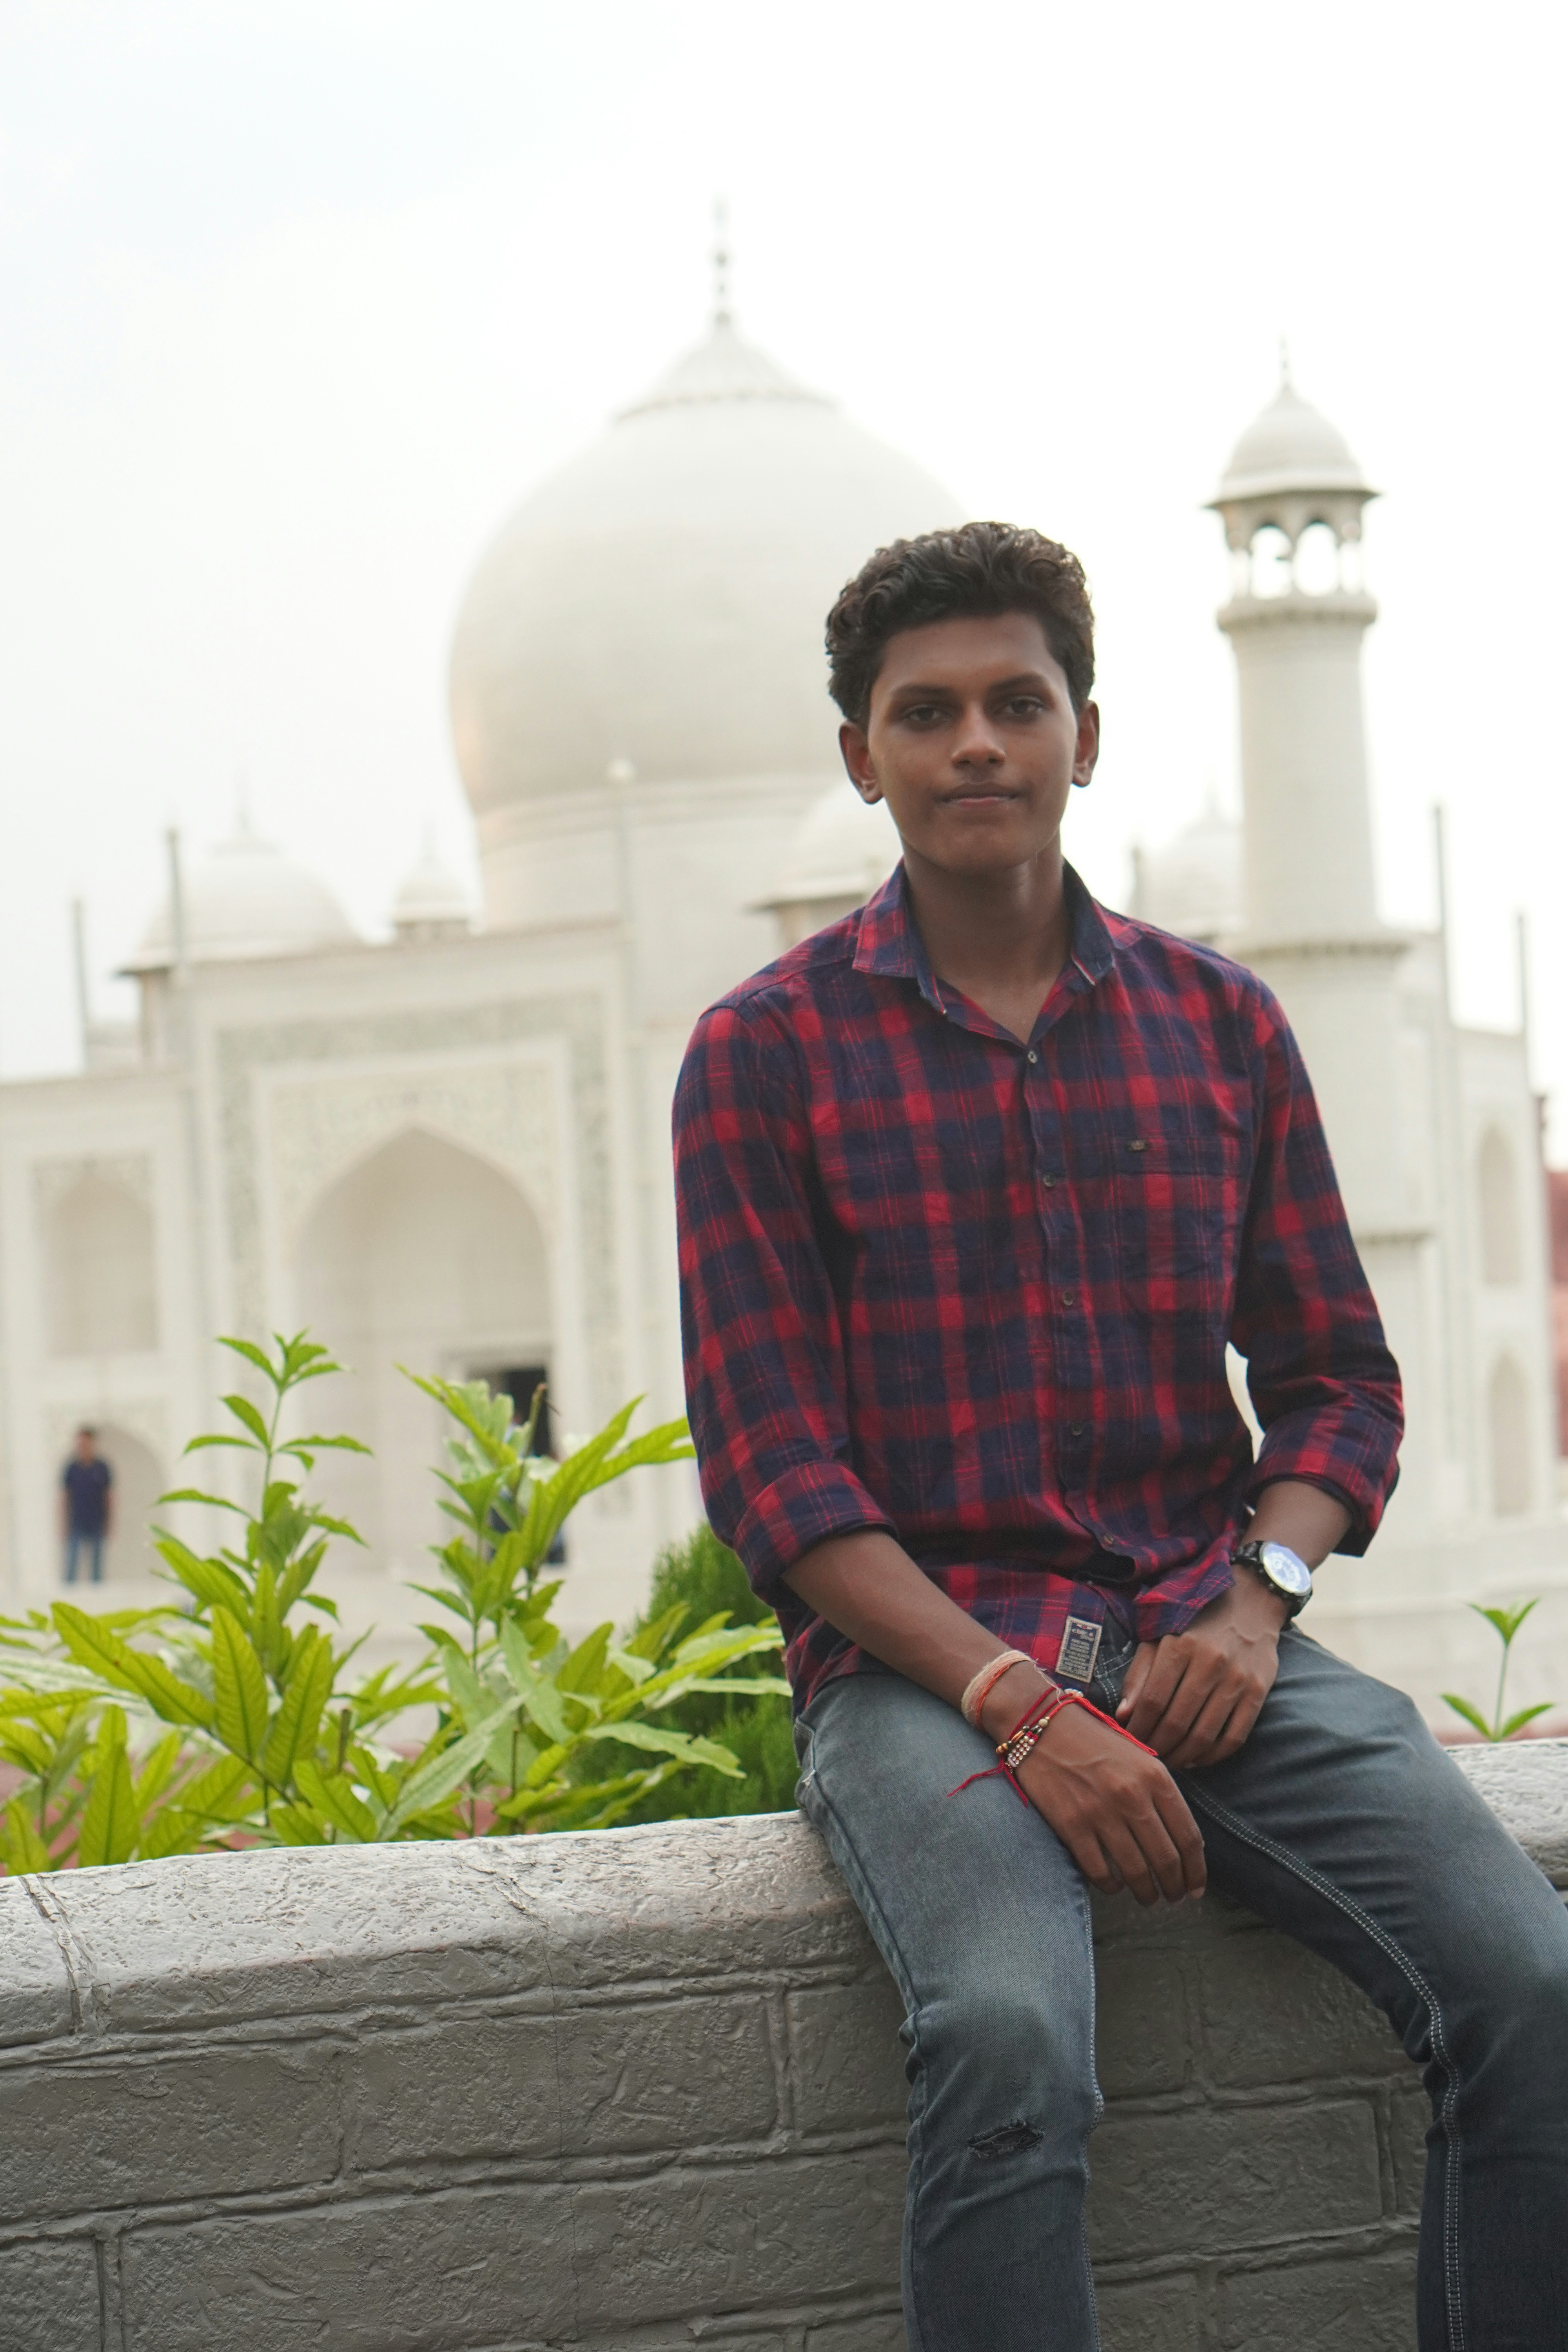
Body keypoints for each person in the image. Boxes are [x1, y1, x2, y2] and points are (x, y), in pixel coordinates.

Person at [673, 523, 1568, 2352]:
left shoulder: (1216, 1024)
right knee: (1005, 2033)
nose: (975, 742)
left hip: (1195, 1638)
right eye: (925, 712)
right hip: (928, 1674)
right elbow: (776, 1472)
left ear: (1086, 735)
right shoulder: (764, 1054)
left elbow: (1334, 1379)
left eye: (1017, 701)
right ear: (862, 755)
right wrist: (1016, 1702)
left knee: (1531, 1980)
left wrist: (1255, 1608)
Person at [61, 1425, 113, 1584]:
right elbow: (65, 1497)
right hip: (76, 1521)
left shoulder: (102, 1468)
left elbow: (109, 1497)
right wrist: (63, 1523)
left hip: (97, 1520)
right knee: (72, 1562)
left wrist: (109, 1523)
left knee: (97, 1565)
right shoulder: (71, 1468)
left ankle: (97, 1595)